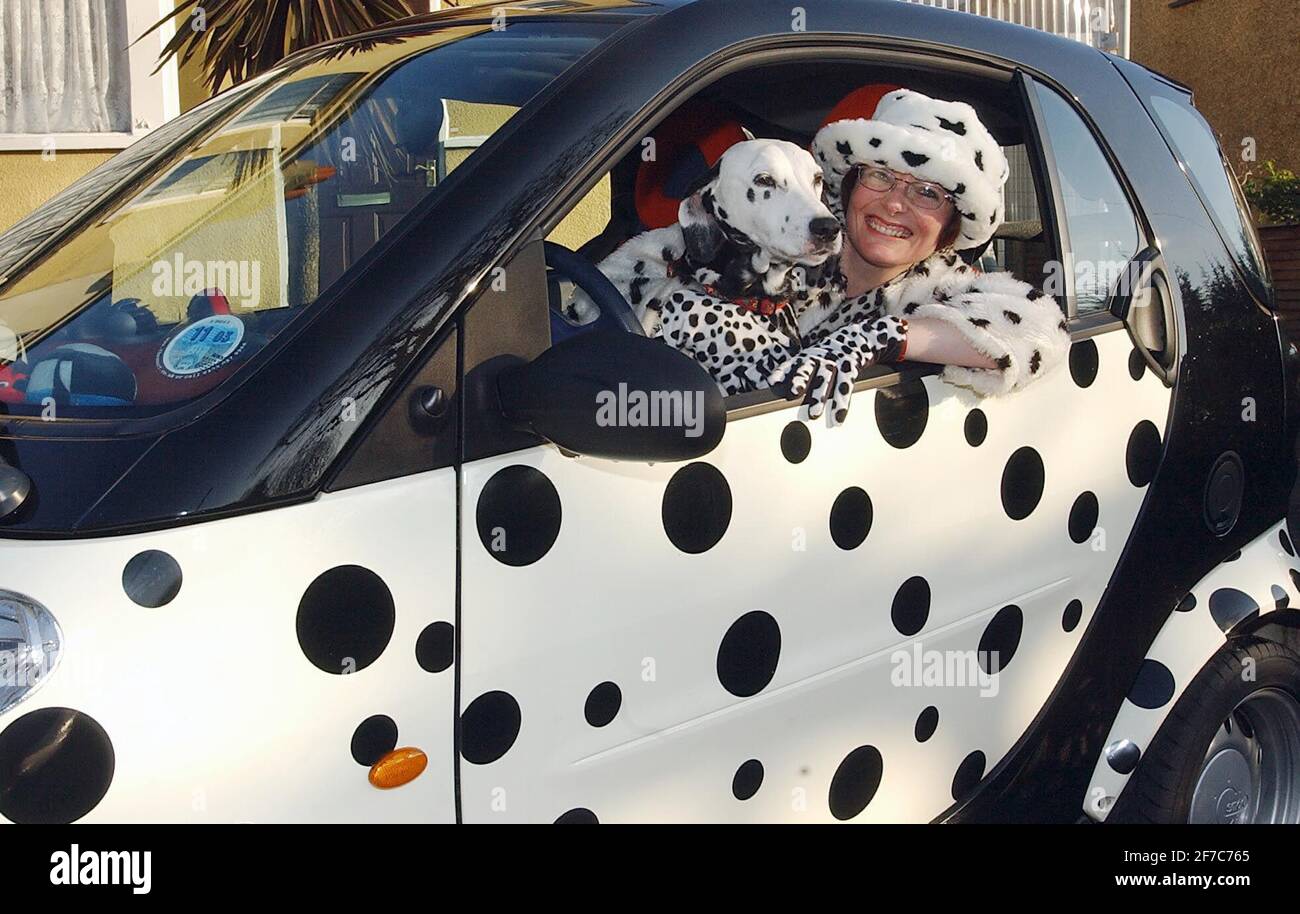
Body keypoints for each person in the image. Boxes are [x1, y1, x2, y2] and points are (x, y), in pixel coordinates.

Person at [766, 86, 1071, 423]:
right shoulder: (790, 245)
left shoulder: (939, 287)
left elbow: (1043, 331)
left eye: (927, 193)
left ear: (951, 222)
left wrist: (881, 337)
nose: (895, 203)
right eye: (880, 175)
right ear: (853, 185)